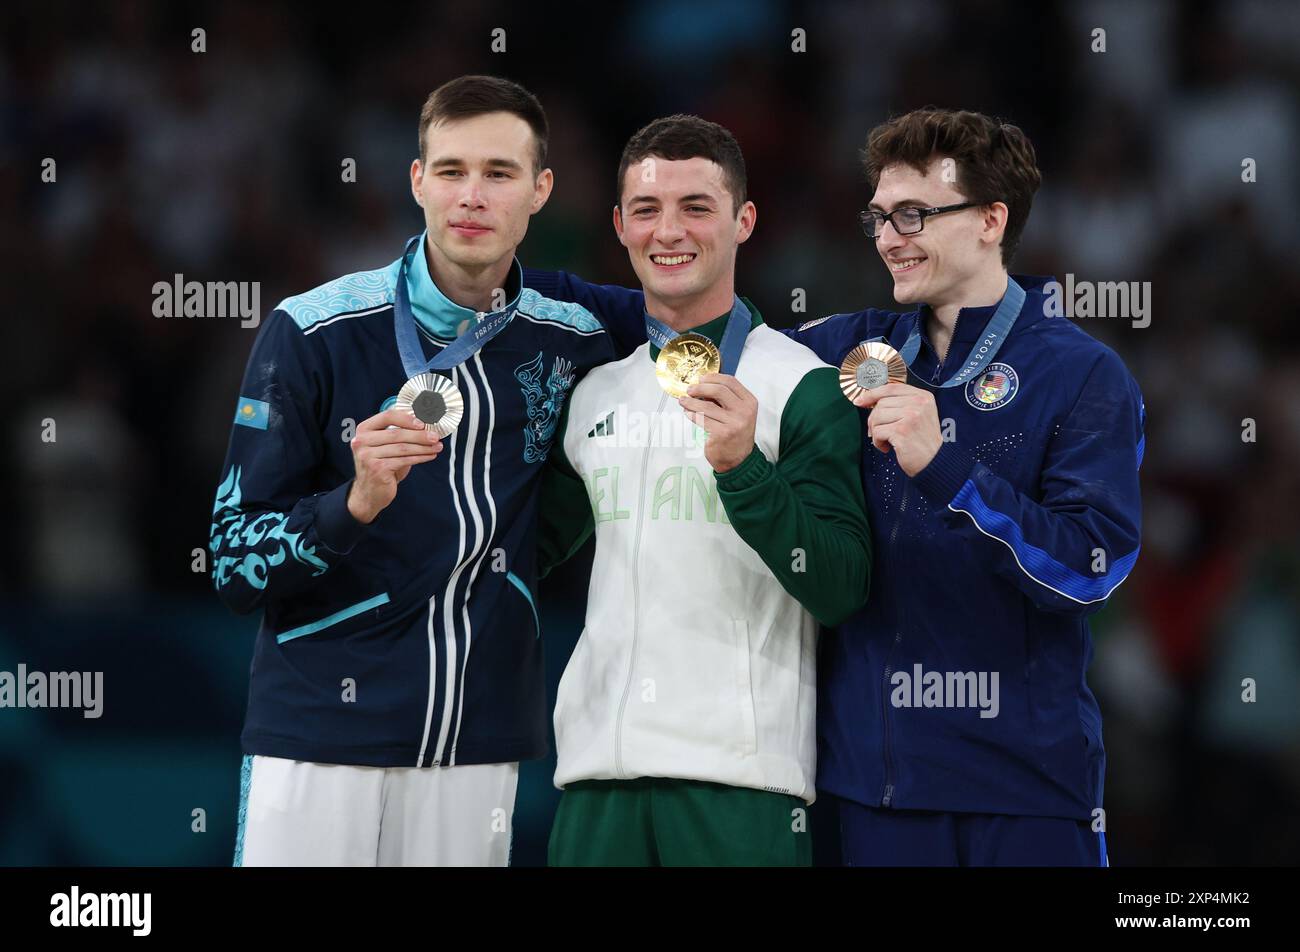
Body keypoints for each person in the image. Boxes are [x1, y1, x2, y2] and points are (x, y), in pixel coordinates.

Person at [528, 107, 1145, 866]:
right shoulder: (845, 349)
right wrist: (489, 278)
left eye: (915, 215)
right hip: (870, 789)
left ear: (991, 220)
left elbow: (1094, 570)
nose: (889, 237)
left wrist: (947, 470)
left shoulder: (1081, 373)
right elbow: (680, 303)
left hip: (1021, 784)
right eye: (879, 216)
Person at [211, 75, 617, 866]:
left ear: (541, 191)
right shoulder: (315, 330)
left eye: (499, 174)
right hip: (320, 731)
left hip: (479, 738)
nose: (473, 195)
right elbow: (231, 562)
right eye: (453, 170)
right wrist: (351, 505)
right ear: (416, 181)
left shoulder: (572, 339)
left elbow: (688, 310)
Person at [535, 115, 871, 866]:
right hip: (593, 777)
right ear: (620, 225)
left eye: (696, 206)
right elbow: (519, 559)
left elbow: (843, 585)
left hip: (739, 785)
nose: (669, 231)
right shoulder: (594, 394)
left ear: (744, 220)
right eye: (647, 210)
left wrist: (745, 469)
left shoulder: (803, 388)